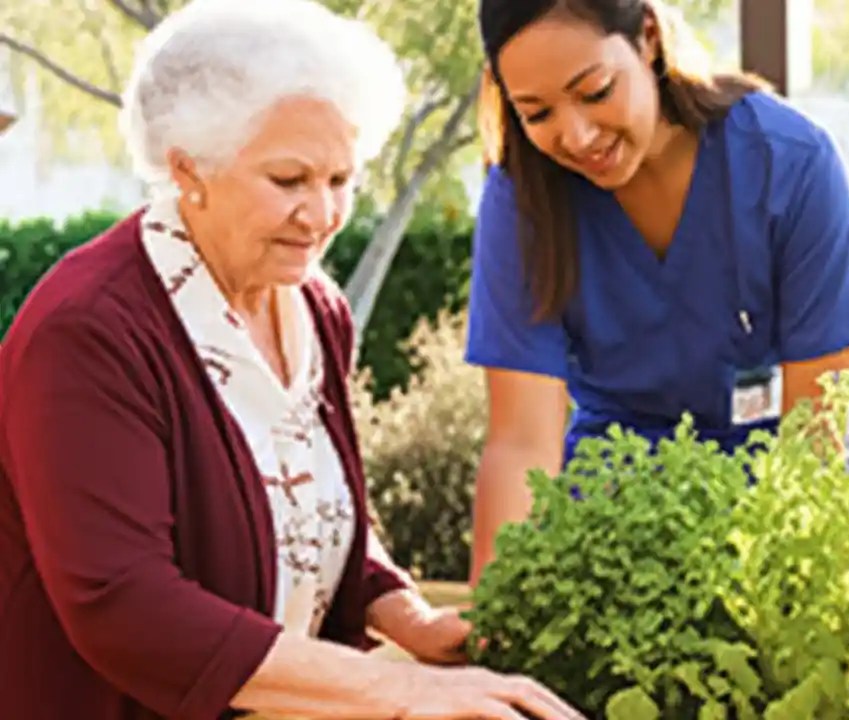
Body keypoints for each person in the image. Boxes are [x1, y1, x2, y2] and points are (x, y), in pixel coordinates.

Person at [0, 1, 582, 719]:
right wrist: (405, 690)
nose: (322, 214)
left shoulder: (313, 306)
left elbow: (309, 513)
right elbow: (123, 602)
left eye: (340, 180)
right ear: (188, 169)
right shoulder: (87, 332)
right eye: (289, 181)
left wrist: (408, 617)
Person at [466, 0, 849, 584]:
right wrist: (500, 608)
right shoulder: (523, 197)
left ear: (647, 38)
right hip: (620, 494)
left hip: (786, 474)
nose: (576, 135)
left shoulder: (790, 161)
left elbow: (818, 425)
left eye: (594, 92)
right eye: (537, 114)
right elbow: (521, 442)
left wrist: (799, 589)